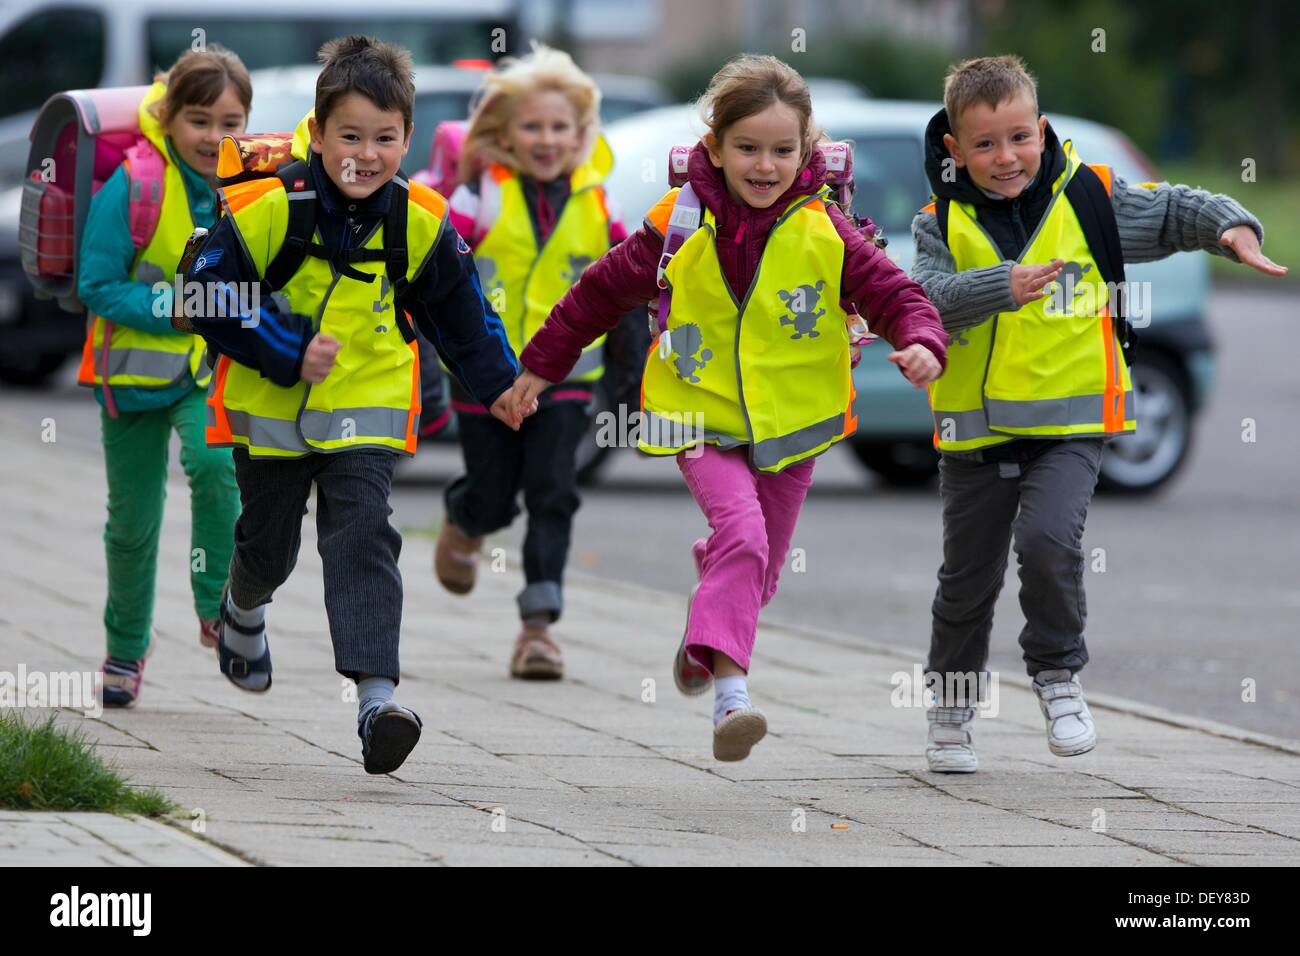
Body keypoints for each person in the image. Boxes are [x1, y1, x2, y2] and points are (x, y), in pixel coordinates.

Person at [510, 54, 947, 760]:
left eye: (782, 150)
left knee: (759, 567)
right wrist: (541, 365)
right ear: (714, 148)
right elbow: (599, 291)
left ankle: (707, 618)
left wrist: (923, 340)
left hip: (793, 423)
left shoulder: (826, 230)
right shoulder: (678, 222)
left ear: (806, 151)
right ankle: (731, 700)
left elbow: (896, 296)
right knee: (744, 538)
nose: (765, 165)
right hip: (699, 413)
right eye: (747, 148)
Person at [910, 55, 1286, 772]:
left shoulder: (1089, 199)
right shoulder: (939, 220)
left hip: (1073, 422)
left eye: (1019, 137)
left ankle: (1057, 675)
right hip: (974, 429)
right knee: (966, 581)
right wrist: (1000, 285)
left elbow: (1174, 209)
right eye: (985, 144)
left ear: (1041, 129)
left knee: (1050, 546)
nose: (1006, 157)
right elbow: (925, 297)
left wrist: (1232, 226)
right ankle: (952, 708)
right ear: (955, 150)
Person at [188, 36, 523, 774]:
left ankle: (377, 703)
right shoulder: (269, 209)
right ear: (315, 135)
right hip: (269, 410)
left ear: (407, 138)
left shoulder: (420, 221)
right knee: (267, 546)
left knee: (364, 533)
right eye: (349, 136)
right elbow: (204, 295)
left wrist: (500, 386)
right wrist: (284, 349)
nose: (365, 154)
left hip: (366, 404)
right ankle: (242, 612)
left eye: (385, 138)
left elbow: (463, 315)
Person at [433, 43, 628, 681]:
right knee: (495, 496)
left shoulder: (601, 204)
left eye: (559, 127)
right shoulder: (479, 195)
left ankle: (537, 630)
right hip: (485, 376)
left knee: (553, 491)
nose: (547, 140)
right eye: (532, 126)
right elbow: (432, 263)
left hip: (568, 379)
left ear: (580, 133)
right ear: (505, 131)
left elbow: (633, 279)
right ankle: (466, 521)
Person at [79, 46, 251, 707]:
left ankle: (217, 610)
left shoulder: (251, 187)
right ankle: (125, 648)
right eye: (200, 121)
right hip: (129, 381)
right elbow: (97, 285)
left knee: (214, 467)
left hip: (206, 376)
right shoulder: (137, 183)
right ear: (171, 118)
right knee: (132, 525)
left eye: (229, 122)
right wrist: (176, 309)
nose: (214, 138)